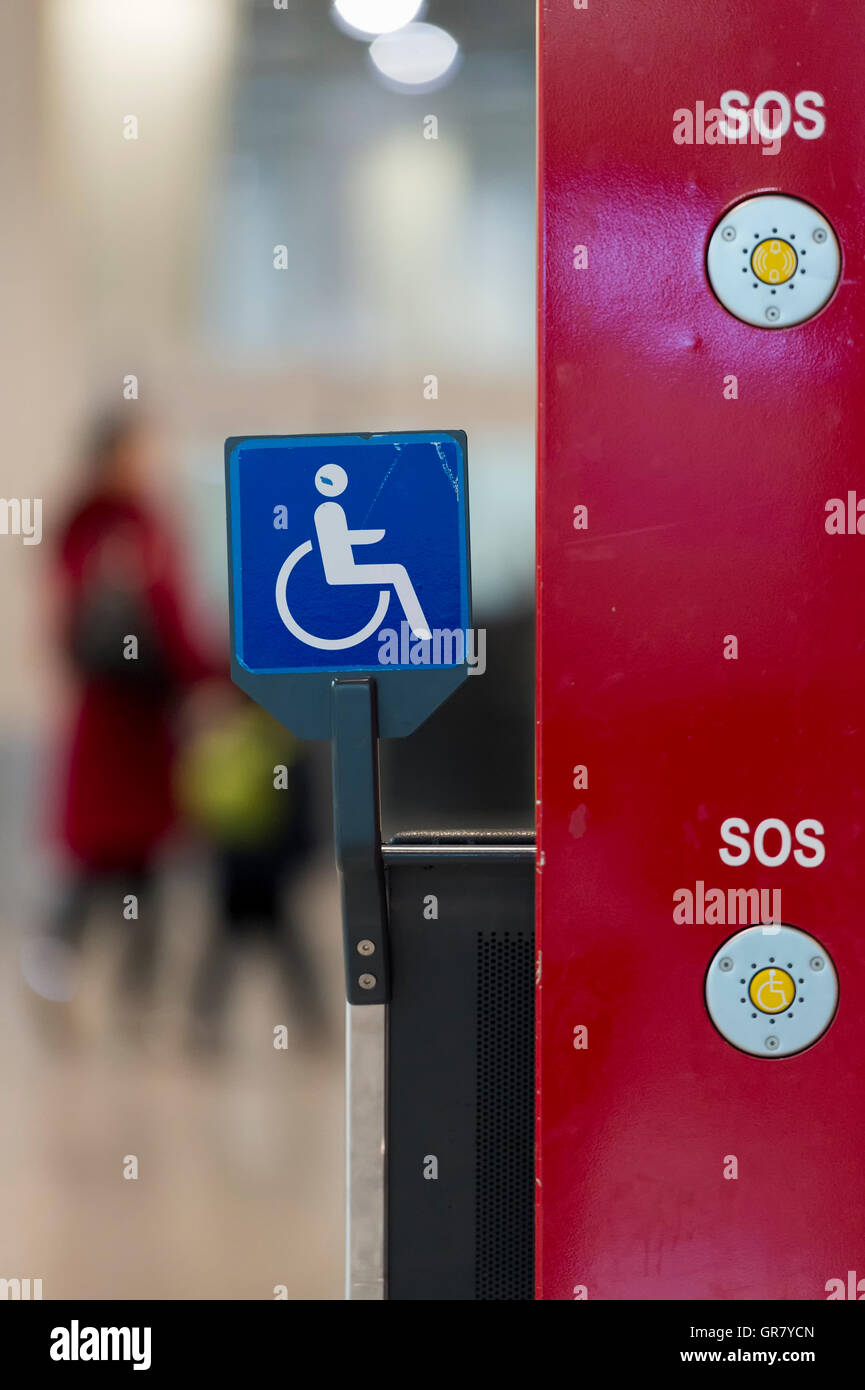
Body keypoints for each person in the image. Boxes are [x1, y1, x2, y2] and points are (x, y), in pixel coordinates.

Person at [33, 412, 213, 1020]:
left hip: (131, 731)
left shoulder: (91, 530)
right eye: (138, 450)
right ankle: (85, 990)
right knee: (105, 873)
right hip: (119, 730)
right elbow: (172, 625)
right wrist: (217, 675)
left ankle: (118, 998)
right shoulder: (123, 531)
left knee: (127, 874)